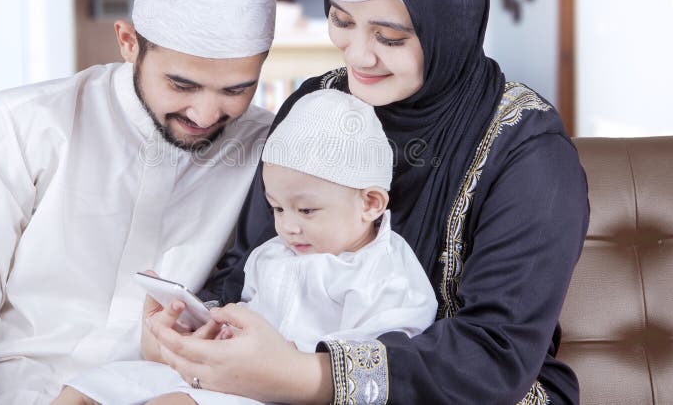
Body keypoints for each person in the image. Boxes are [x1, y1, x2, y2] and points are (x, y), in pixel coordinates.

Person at [143, 0, 590, 405]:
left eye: (391, 37)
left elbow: (493, 357)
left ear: (454, 25)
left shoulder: (529, 154)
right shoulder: (317, 100)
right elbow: (250, 262)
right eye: (341, 20)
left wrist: (303, 376)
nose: (359, 56)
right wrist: (203, 326)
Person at [0, 0, 277, 405]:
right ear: (128, 42)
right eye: (181, 84)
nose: (205, 113)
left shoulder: (272, 149)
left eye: (236, 90)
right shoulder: (25, 121)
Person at [52, 89, 438, 405]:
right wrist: (207, 324)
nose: (287, 225)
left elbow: (383, 359)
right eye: (277, 208)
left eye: (306, 210)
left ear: (370, 203)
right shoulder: (270, 256)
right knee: (92, 386)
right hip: (230, 376)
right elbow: (252, 311)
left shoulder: (383, 272)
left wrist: (292, 361)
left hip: (285, 394)